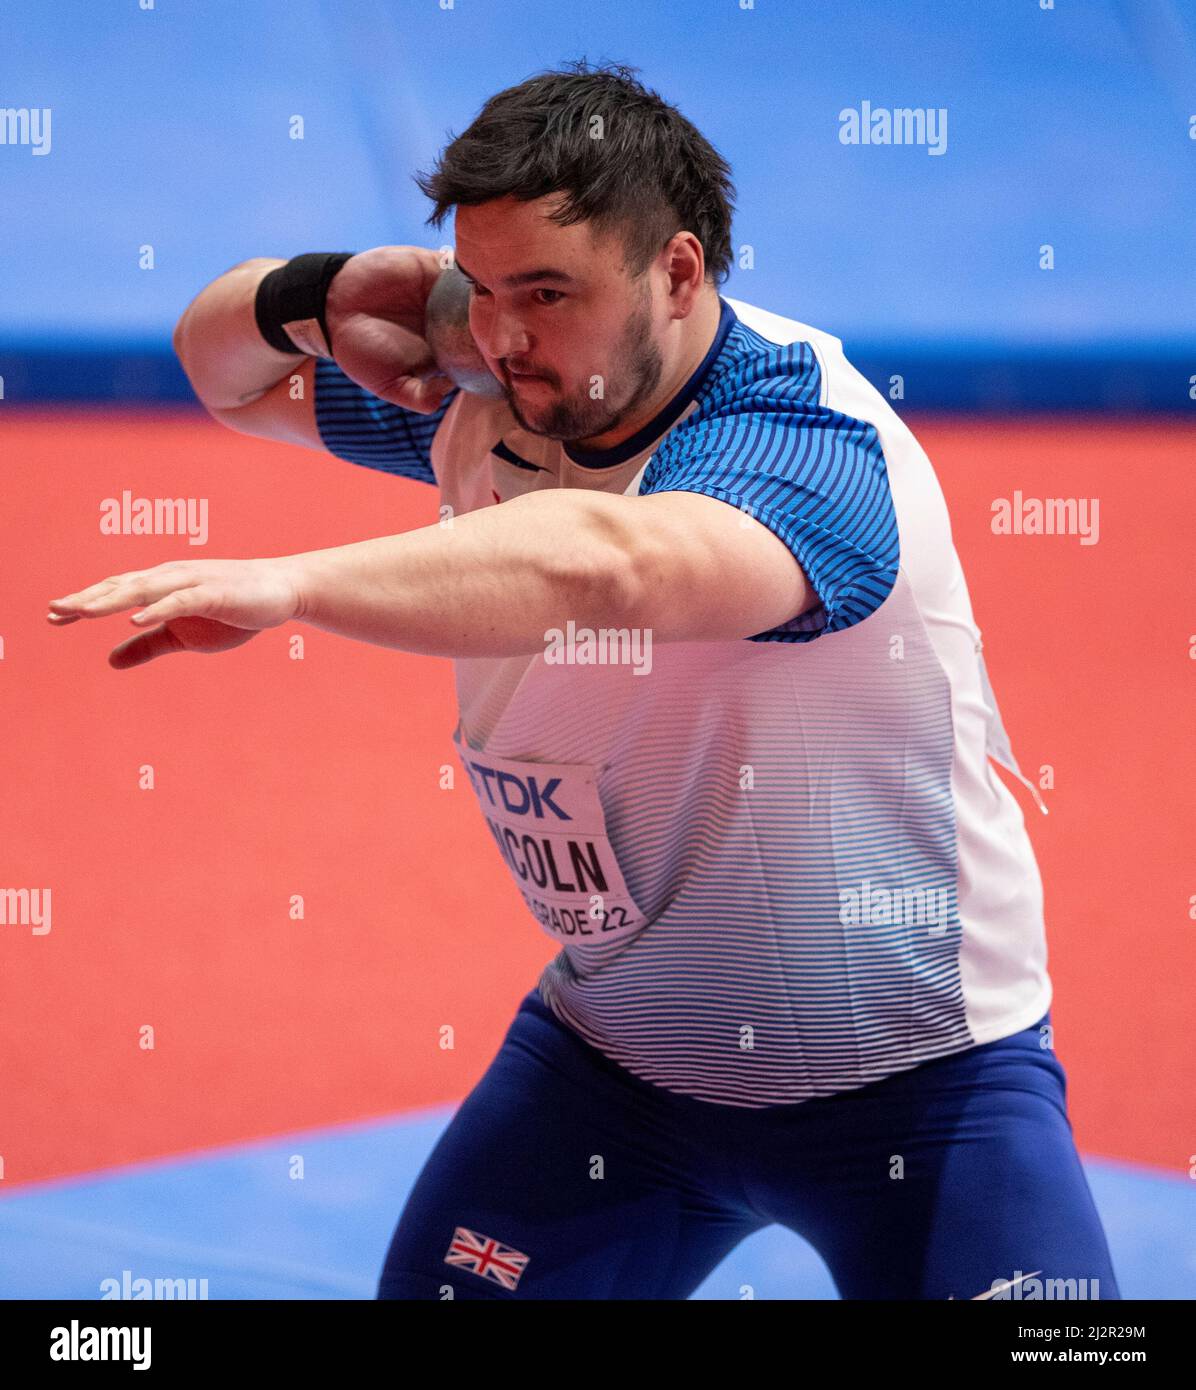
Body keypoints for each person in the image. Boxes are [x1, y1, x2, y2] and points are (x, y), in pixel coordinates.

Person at [49, 61, 1120, 1301]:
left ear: (676, 271)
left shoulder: (806, 441)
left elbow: (609, 565)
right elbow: (218, 364)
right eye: (481, 289)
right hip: (618, 1073)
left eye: (545, 292)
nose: (502, 335)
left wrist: (292, 588)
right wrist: (327, 288)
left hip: (921, 1089)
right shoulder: (501, 397)